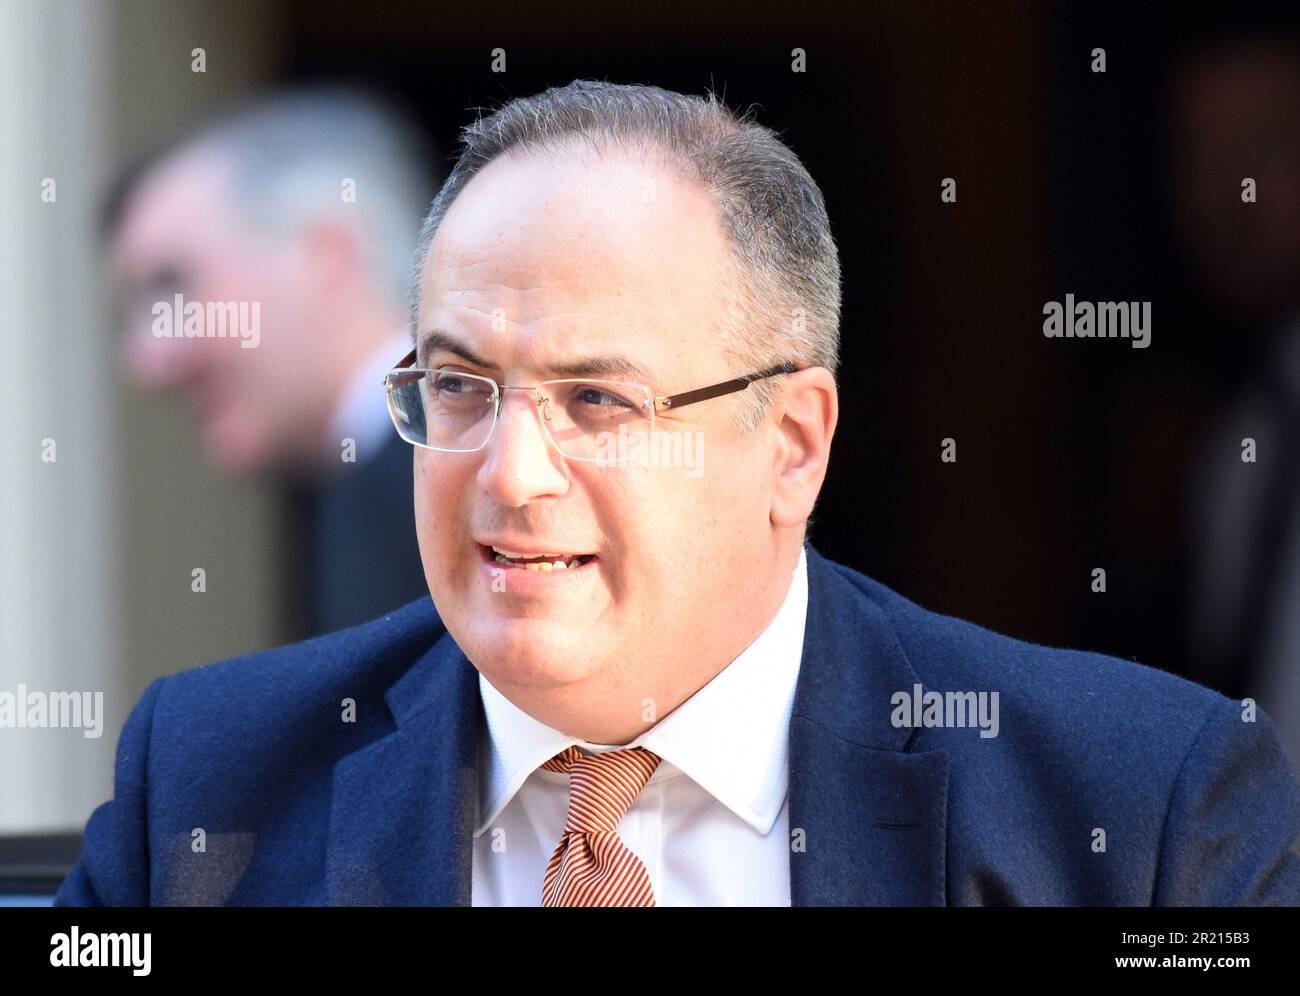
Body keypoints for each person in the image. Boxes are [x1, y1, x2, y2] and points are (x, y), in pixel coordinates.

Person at [57, 80, 1300, 906]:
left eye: (598, 400)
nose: (510, 476)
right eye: (458, 386)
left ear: (792, 444)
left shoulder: (1138, 812)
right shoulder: (210, 789)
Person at [108, 86, 435, 636]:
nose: (147, 362)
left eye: (174, 287)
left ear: (329, 257)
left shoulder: (452, 476)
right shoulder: (378, 483)